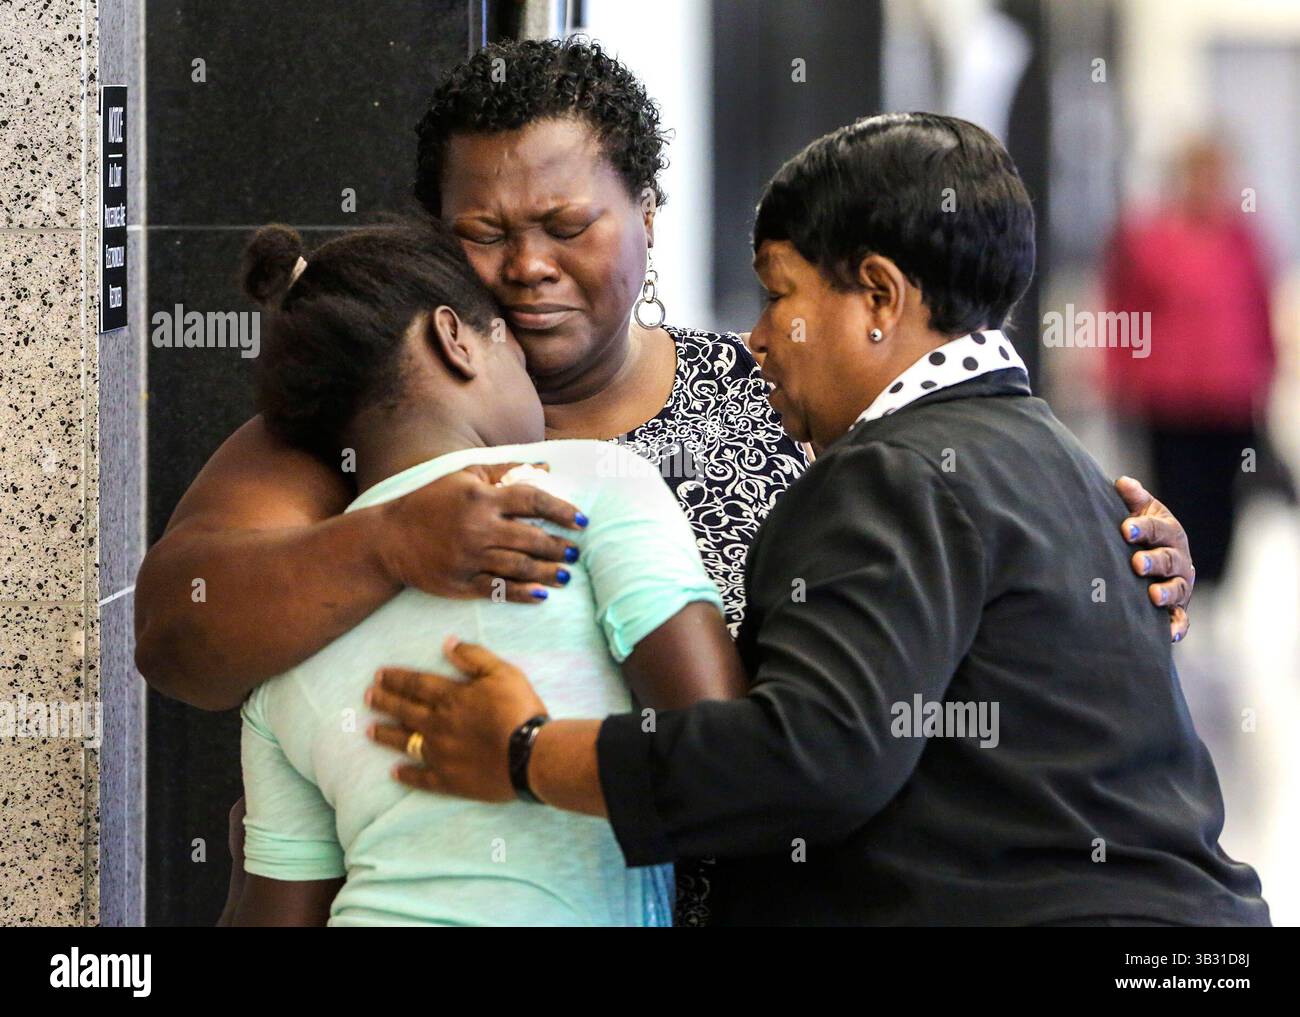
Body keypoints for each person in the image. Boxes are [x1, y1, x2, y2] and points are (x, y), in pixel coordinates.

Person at [135, 39, 1197, 926]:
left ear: (647, 211)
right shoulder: (343, 432)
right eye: (484, 232)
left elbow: (925, 629)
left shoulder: (787, 397)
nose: (528, 266)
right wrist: (386, 540)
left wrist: (1095, 567)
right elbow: (176, 630)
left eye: (567, 224)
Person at [368, 113, 1270, 927]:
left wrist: (523, 752)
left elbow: (811, 757)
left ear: (878, 298)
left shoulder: (892, 470)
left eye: (779, 293)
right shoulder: (1057, 459)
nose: (760, 335)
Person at [226, 216, 746, 926]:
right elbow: (724, 758)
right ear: (455, 338)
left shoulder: (285, 646)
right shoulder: (592, 484)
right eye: (518, 356)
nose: (534, 384)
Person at [1103, 136, 1284, 587]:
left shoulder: (1244, 239)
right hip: (1169, 397)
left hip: (1230, 396)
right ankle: (1177, 582)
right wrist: (1118, 376)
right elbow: (1126, 312)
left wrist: (1267, 372)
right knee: (1176, 494)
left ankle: (1217, 583)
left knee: (1226, 497)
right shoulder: (1149, 240)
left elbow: (1260, 308)